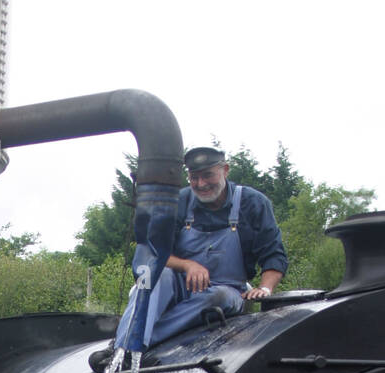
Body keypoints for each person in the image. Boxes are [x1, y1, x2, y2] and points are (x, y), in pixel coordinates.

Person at [113, 146, 288, 353]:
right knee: (154, 275)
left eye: (207, 176)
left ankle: (144, 342)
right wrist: (187, 265)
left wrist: (265, 288)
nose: (201, 184)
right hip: (181, 285)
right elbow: (153, 252)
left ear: (225, 170)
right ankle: (123, 349)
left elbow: (274, 254)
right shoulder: (179, 202)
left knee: (217, 296)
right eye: (194, 177)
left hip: (229, 289)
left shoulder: (253, 203)